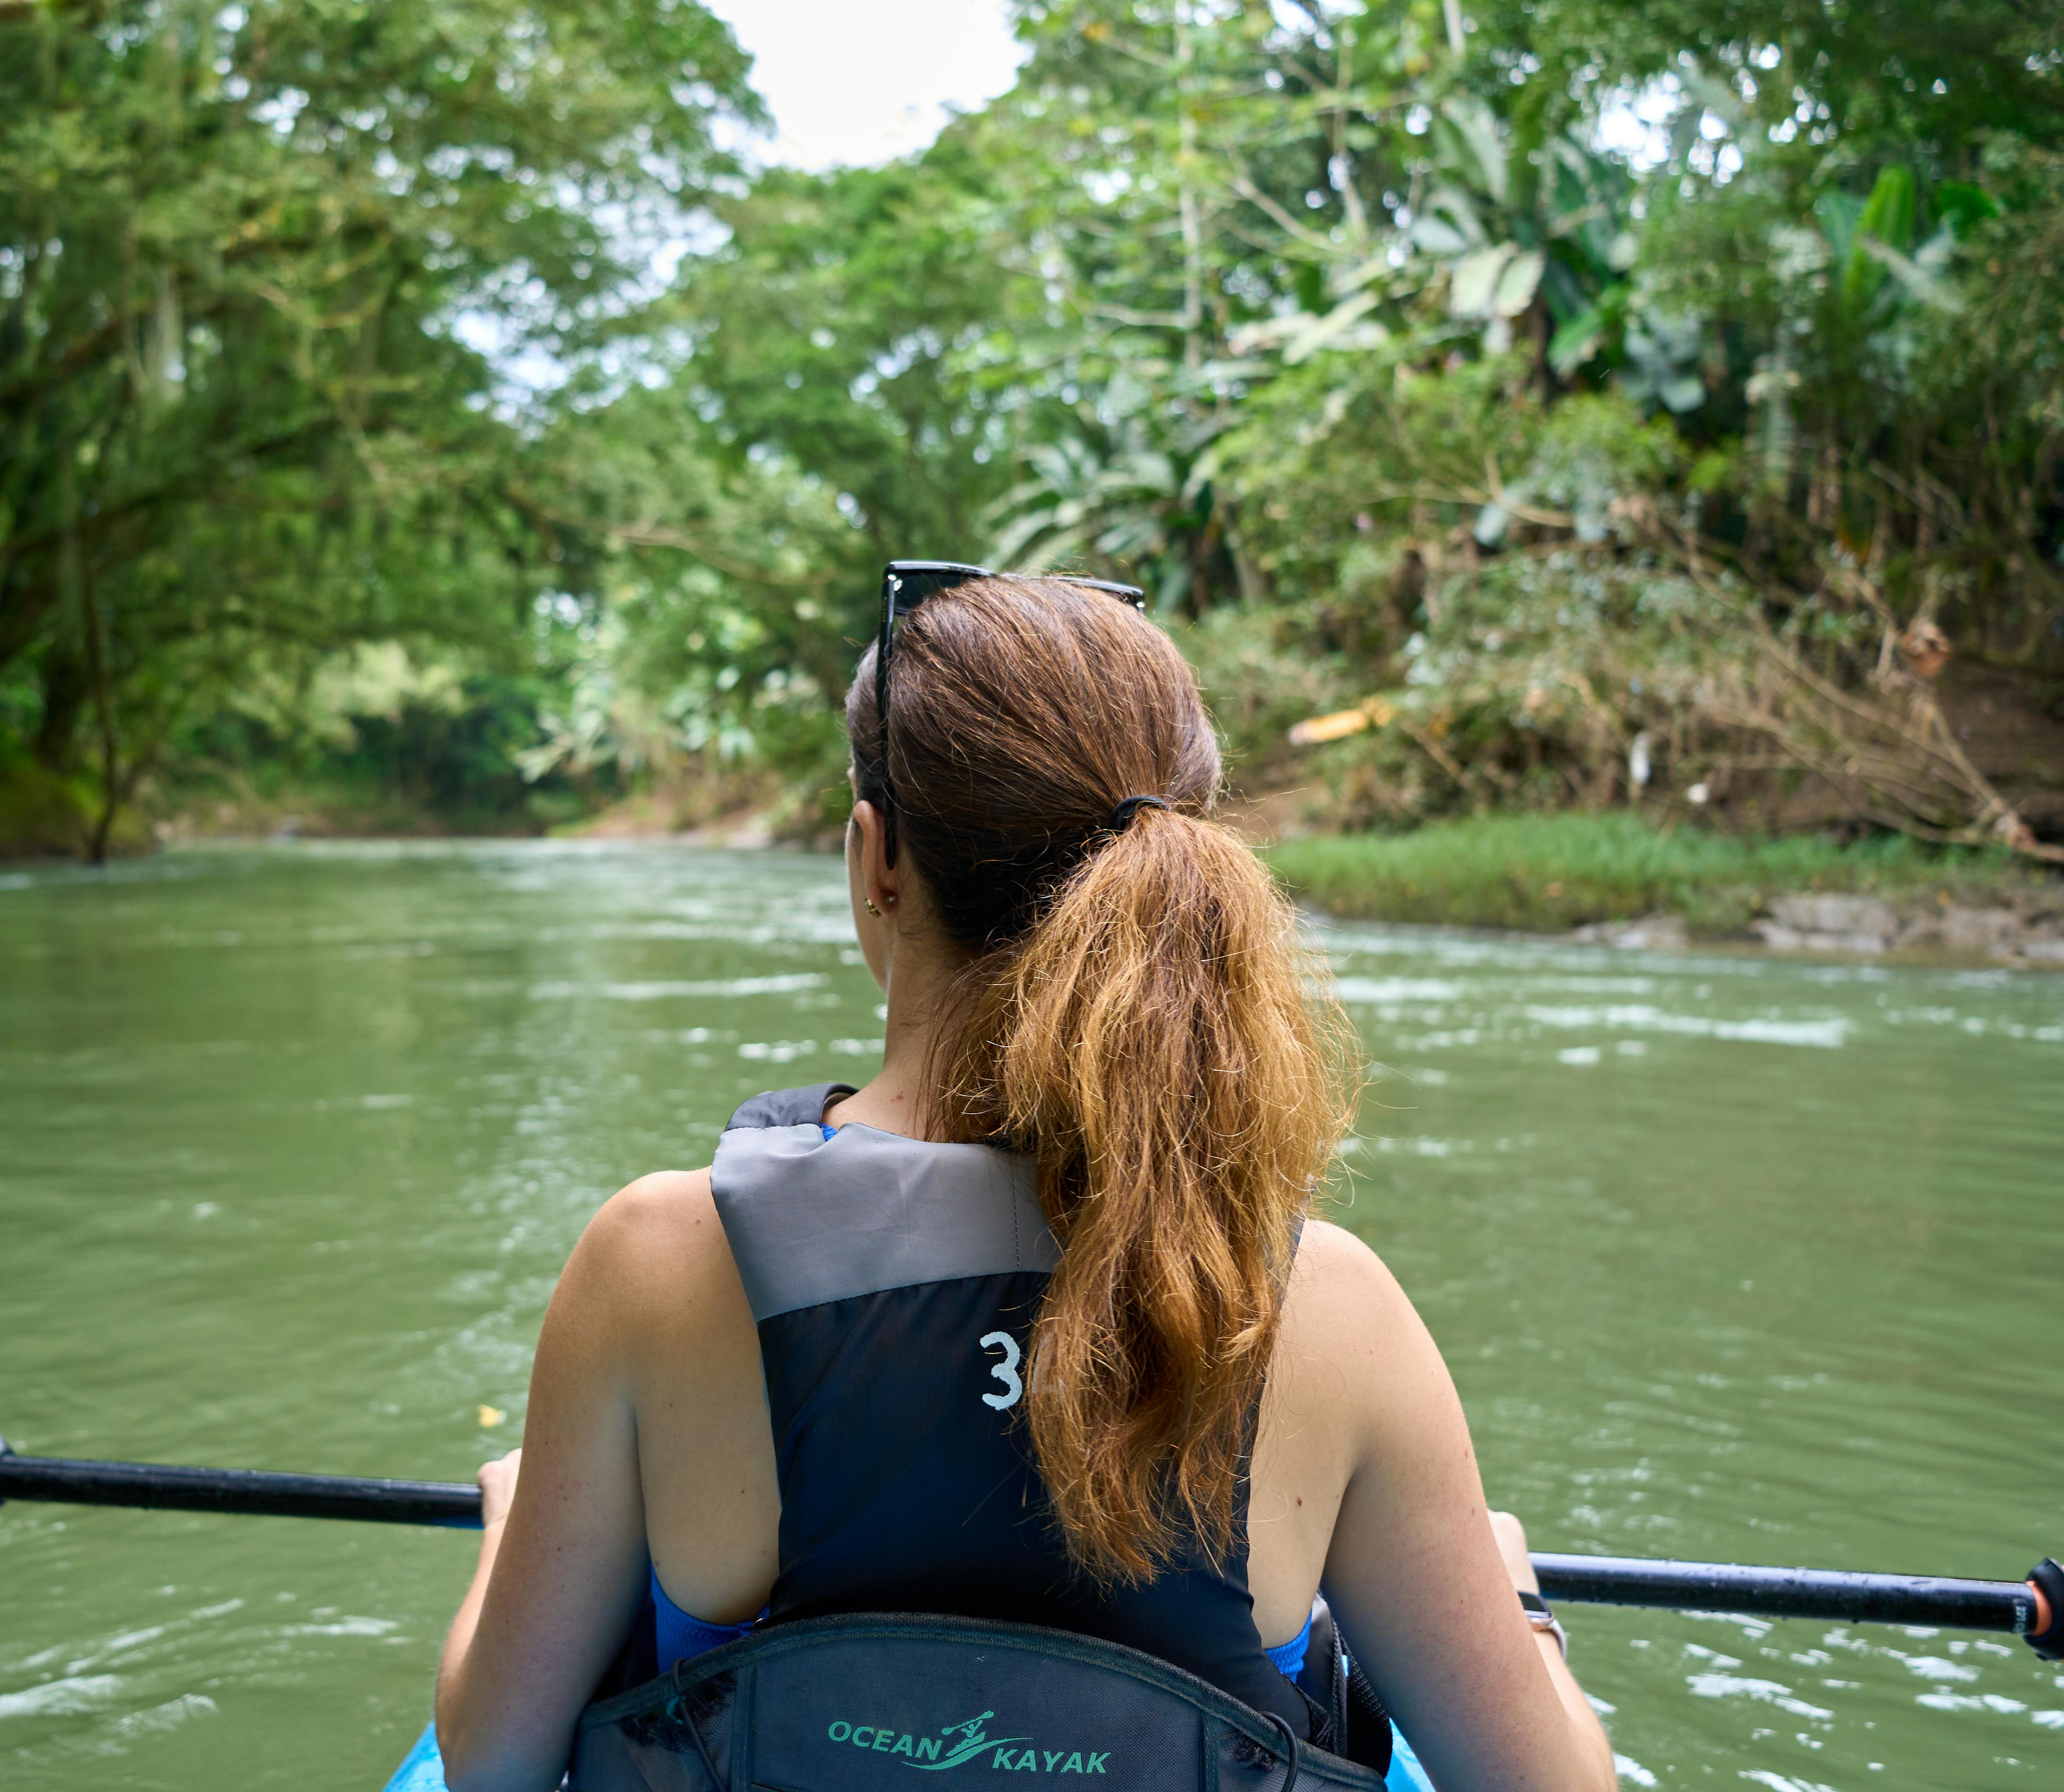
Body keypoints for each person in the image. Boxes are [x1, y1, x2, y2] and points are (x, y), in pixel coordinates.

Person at [433, 567, 1616, 1792]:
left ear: (874, 857)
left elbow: (492, 1766)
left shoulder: (656, 1259)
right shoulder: (1327, 1305)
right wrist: (1516, 1605)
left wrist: (520, 1534)